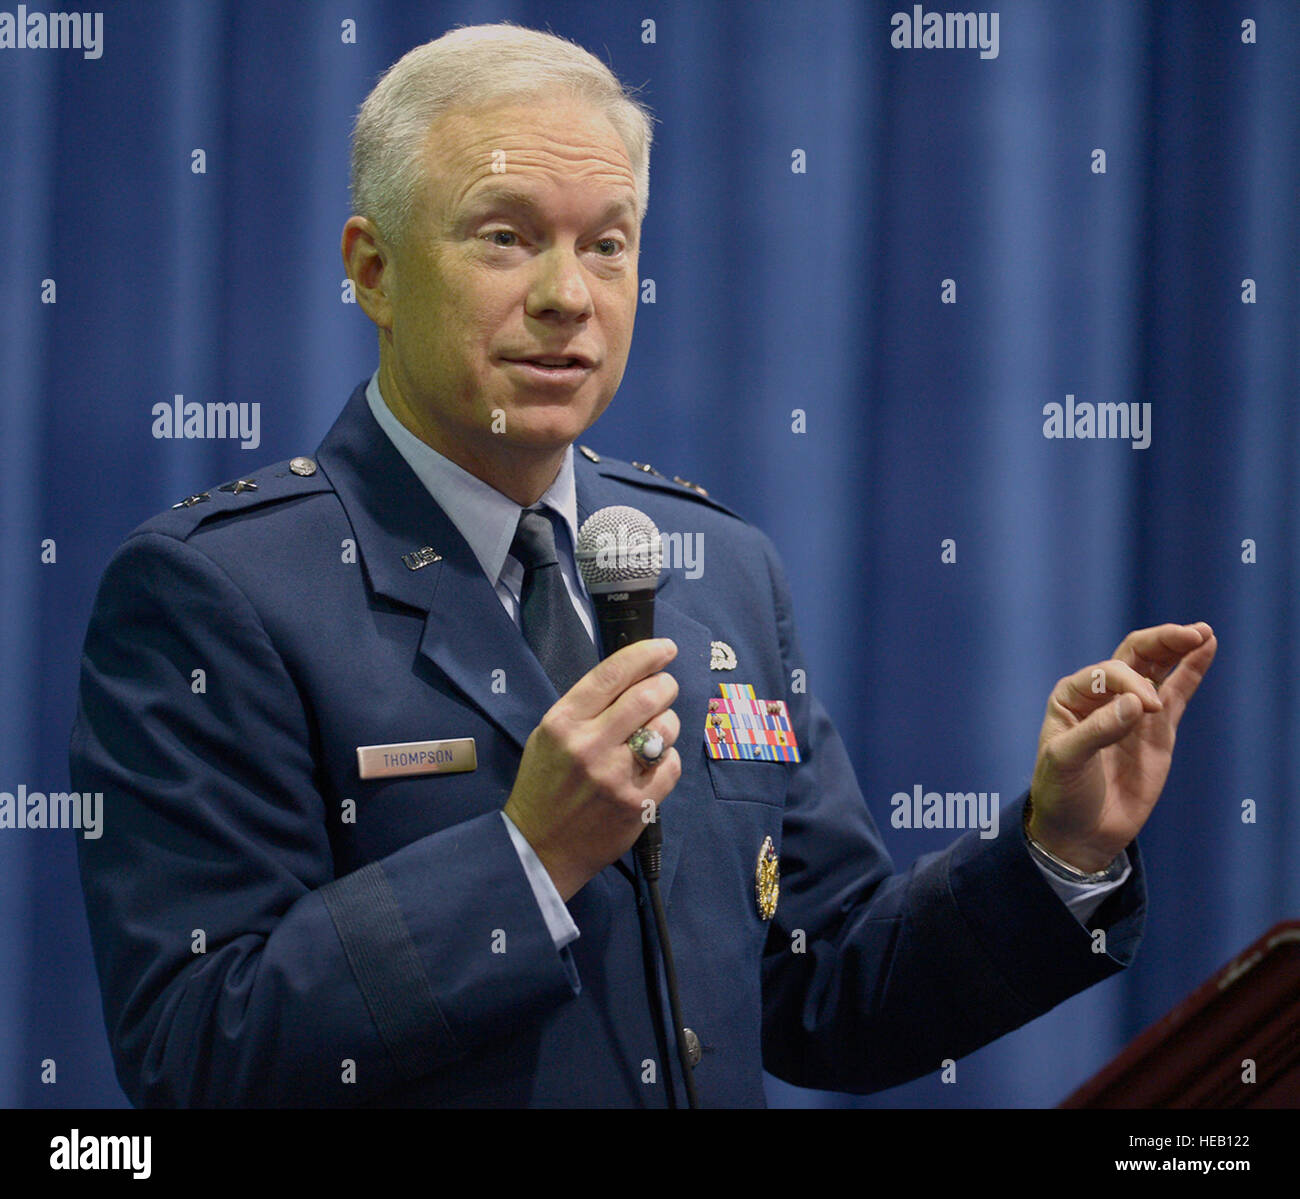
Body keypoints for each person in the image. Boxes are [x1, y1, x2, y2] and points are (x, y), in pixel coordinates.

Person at [70, 23, 1217, 1108]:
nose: (568, 294)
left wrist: (1058, 848)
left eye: (606, 242)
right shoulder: (217, 594)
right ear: (371, 269)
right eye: (506, 235)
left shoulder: (717, 565)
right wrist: (525, 861)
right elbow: (196, 1045)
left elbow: (822, 988)